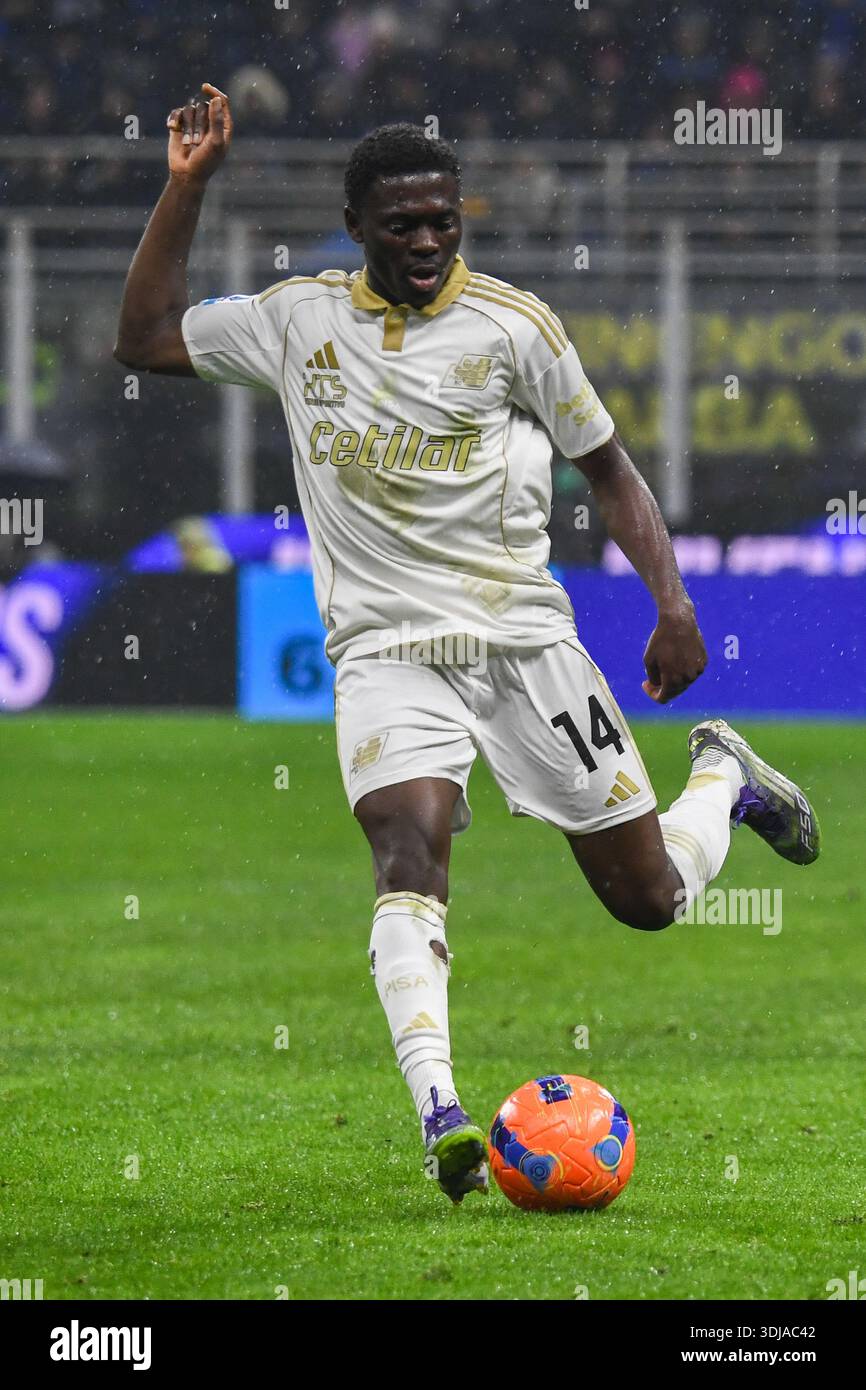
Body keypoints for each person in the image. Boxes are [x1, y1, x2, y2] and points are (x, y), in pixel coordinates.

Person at [114, 84, 821, 1205]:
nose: (429, 241)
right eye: (403, 224)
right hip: (385, 651)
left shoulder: (513, 327)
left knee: (646, 900)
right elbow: (144, 337)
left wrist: (672, 603)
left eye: (445, 220)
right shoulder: (299, 321)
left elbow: (608, 468)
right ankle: (440, 1108)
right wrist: (186, 184)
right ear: (357, 228)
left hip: (521, 643)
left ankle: (722, 775)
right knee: (409, 849)